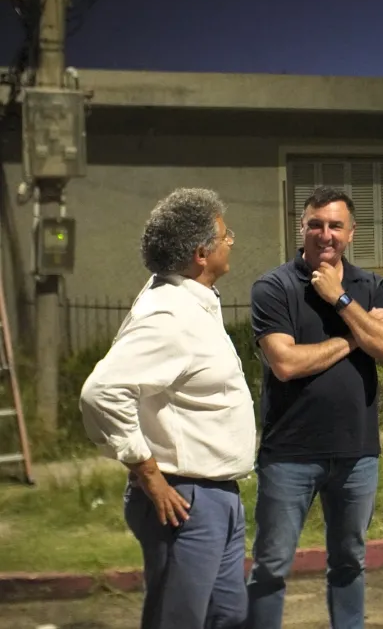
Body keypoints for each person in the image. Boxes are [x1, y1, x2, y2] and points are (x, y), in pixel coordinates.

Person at [80, 188, 256, 629]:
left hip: (218, 495)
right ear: (201, 254)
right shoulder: (171, 316)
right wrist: (147, 471)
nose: (231, 241)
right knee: (178, 621)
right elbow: (101, 391)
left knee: (227, 616)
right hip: (184, 499)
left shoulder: (189, 299)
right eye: (224, 234)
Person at [246, 186, 383, 629]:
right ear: (302, 227)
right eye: (316, 224)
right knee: (272, 565)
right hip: (290, 453)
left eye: (335, 225)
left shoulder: (369, 286)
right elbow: (286, 363)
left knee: (349, 560)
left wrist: (340, 299)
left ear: (351, 233)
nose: (325, 234)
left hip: (357, 453)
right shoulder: (274, 287)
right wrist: (356, 336)